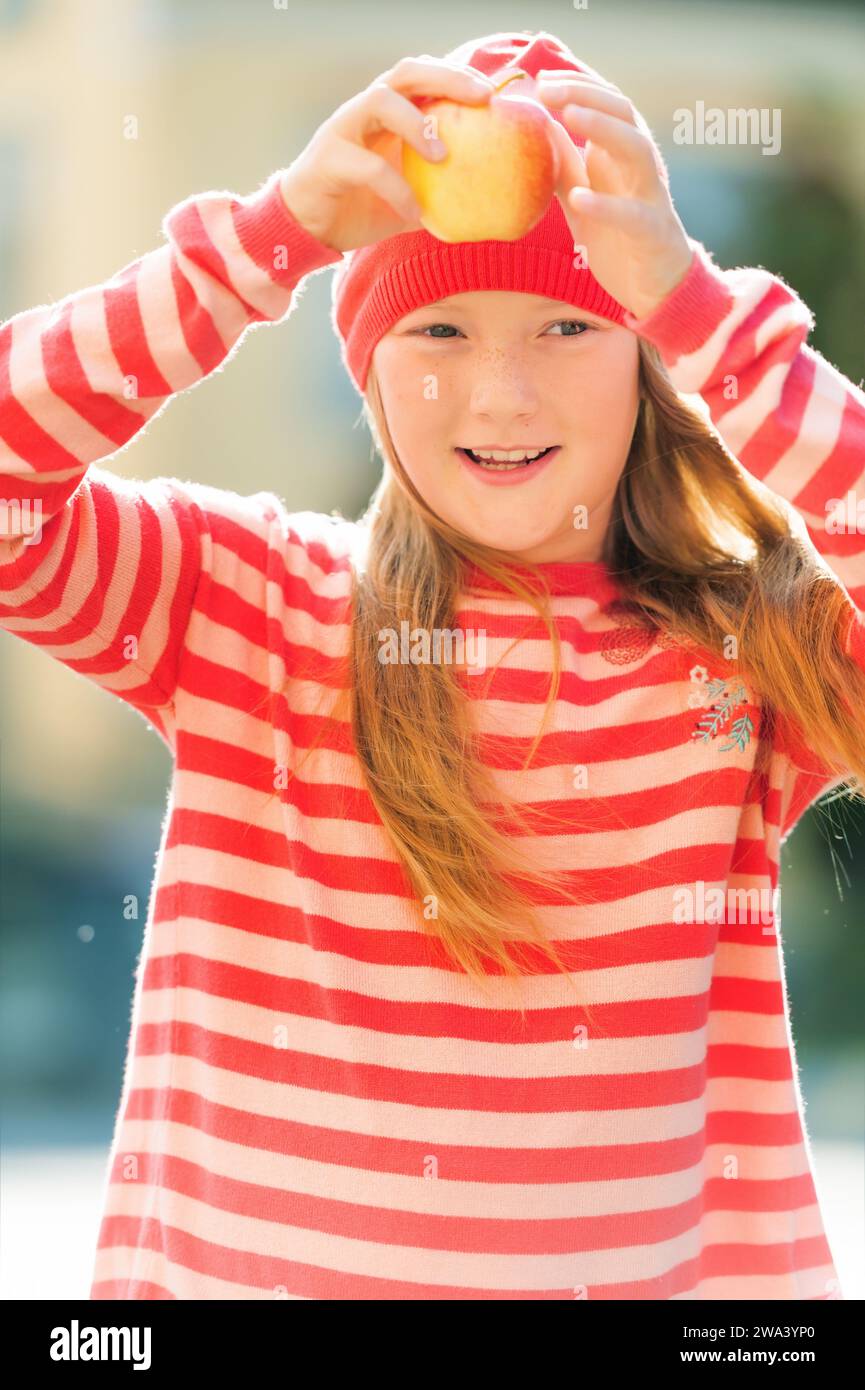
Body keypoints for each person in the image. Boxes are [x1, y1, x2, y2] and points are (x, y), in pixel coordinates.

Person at [1, 29, 862, 1301]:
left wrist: (693, 304)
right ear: (368, 366)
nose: (502, 396)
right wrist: (269, 240)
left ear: (649, 366)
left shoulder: (741, 654)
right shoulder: (240, 603)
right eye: (441, 330)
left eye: (572, 325)